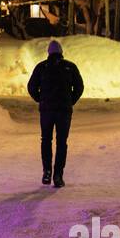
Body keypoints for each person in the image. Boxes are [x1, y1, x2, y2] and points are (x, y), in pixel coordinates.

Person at [27, 40, 84, 187]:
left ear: (49, 53)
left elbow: (31, 86)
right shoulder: (70, 67)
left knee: (46, 140)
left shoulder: (41, 67)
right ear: (61, 52)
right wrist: (71, 100)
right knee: (61, 142)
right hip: (64, 111)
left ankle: (47, 171)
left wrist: (40, 99)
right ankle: (58, 175)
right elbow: (79, 86)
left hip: (46, 111)